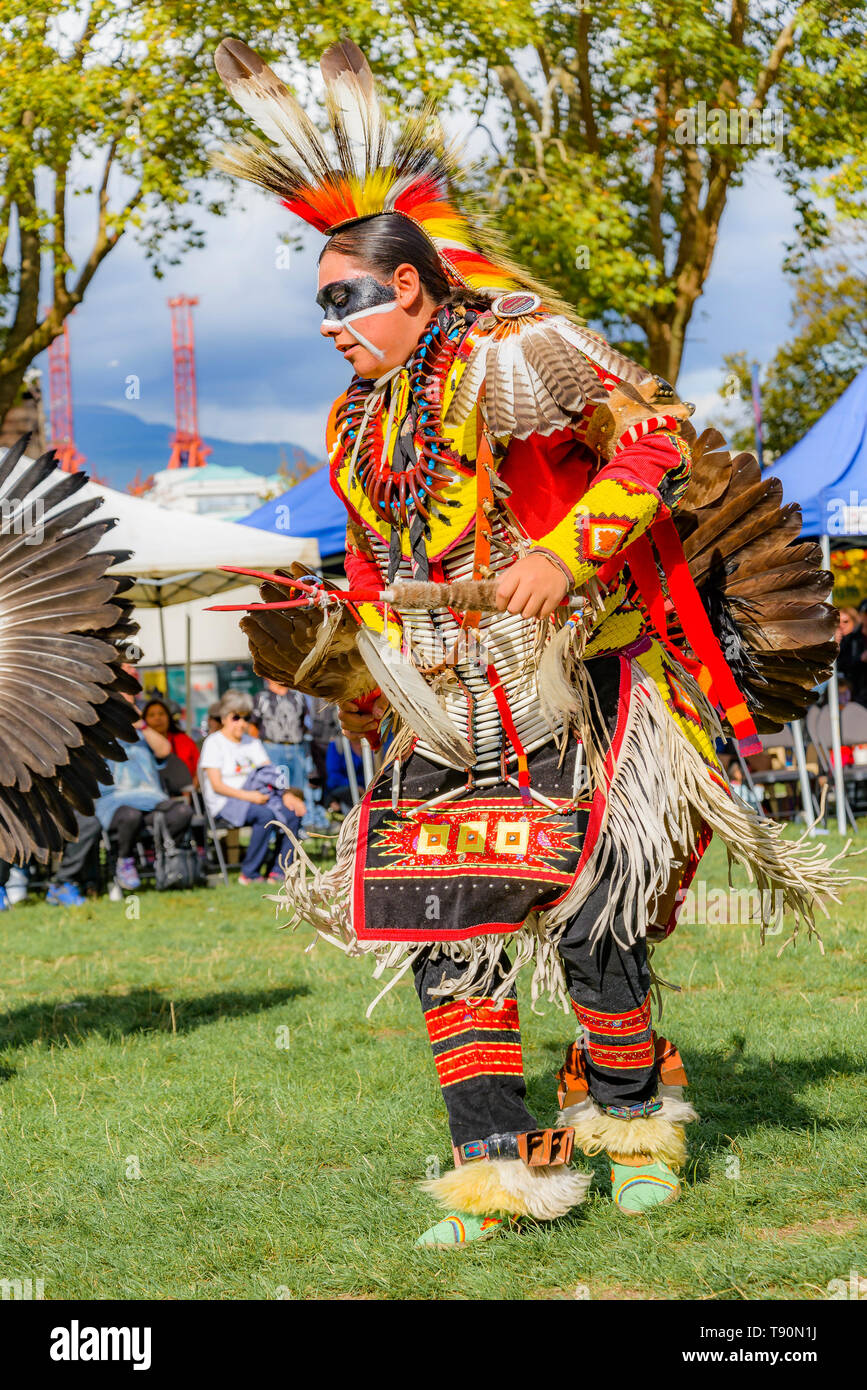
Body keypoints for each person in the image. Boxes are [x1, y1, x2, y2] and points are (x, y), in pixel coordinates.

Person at [214, 36, 844, 1247]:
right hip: (445, 708)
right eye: (318, 306)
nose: (330, 324)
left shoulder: (508, 353)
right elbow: (372, 563)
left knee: (598, 929)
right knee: (448, 928)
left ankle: (635, 1125)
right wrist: (355, 659)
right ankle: (498, 1171)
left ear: (409, 287)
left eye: (344, 298)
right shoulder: (352, 425)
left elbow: (655, 436)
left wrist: (567, 552)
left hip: (577, 687)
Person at [198, 690, 306, 884]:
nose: (241, 723)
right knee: (265, 815)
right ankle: (249, 873)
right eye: (236, 717)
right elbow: (217, 786)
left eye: (246, 718)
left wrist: (287, 795)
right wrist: (249, 796)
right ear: (224, 718)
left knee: (292, 812)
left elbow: (271, 774)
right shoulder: (213, 743)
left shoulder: (253, 742)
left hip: (260, 797)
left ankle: (279, 871)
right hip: (226, 801)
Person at [93, 712, 194, 892]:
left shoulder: (142, 735)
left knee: (182, 813)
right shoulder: (100, 732)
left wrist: (142, 725)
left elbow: (164, 750)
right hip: (115, 802)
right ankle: (124, 862)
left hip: (151, 799)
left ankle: (162, 859)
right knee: (131, 816)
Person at [248, 679, 309, 792]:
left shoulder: (298, 696)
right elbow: (252, 726)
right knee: (276, 789)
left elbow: (303, 722)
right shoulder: (261, 697)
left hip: (296, 748)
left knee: (299, 790)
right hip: (272, 748)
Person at [143, 699, 200, 784]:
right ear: (144, 720)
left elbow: (199, 770)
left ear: (168, 718)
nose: (157, 718)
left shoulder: (184, 741)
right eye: (151, 715)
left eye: (161, 714)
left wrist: (191, 790)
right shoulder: (140, 745)